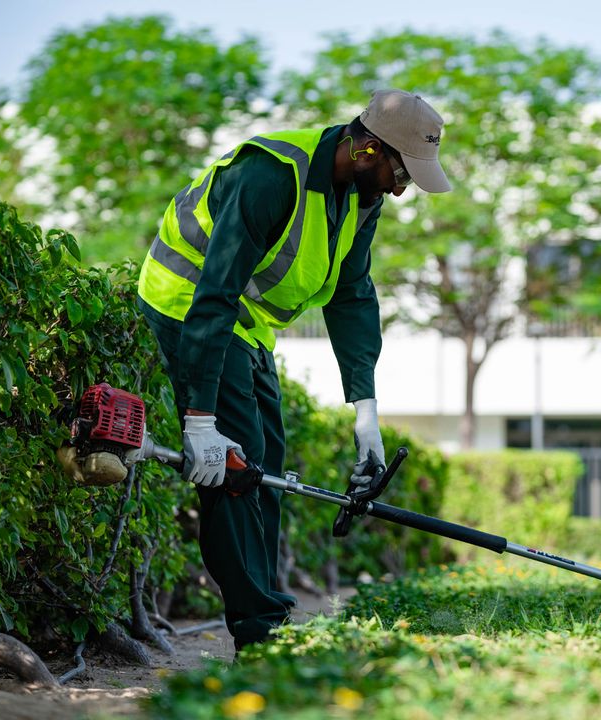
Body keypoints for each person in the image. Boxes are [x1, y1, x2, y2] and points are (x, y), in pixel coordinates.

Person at [135, 89, 451, 651]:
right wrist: (201, 420)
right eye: (402, 170)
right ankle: (258, 633)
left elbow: (353, 297)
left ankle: (266, 611)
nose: (405, 188)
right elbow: (214, 290)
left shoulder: (361, 197)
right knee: (234, 468)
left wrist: (366, 415)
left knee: (267, 466)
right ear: (368, 150)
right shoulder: (271, 174)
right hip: (187, 304)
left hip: (248, 326)